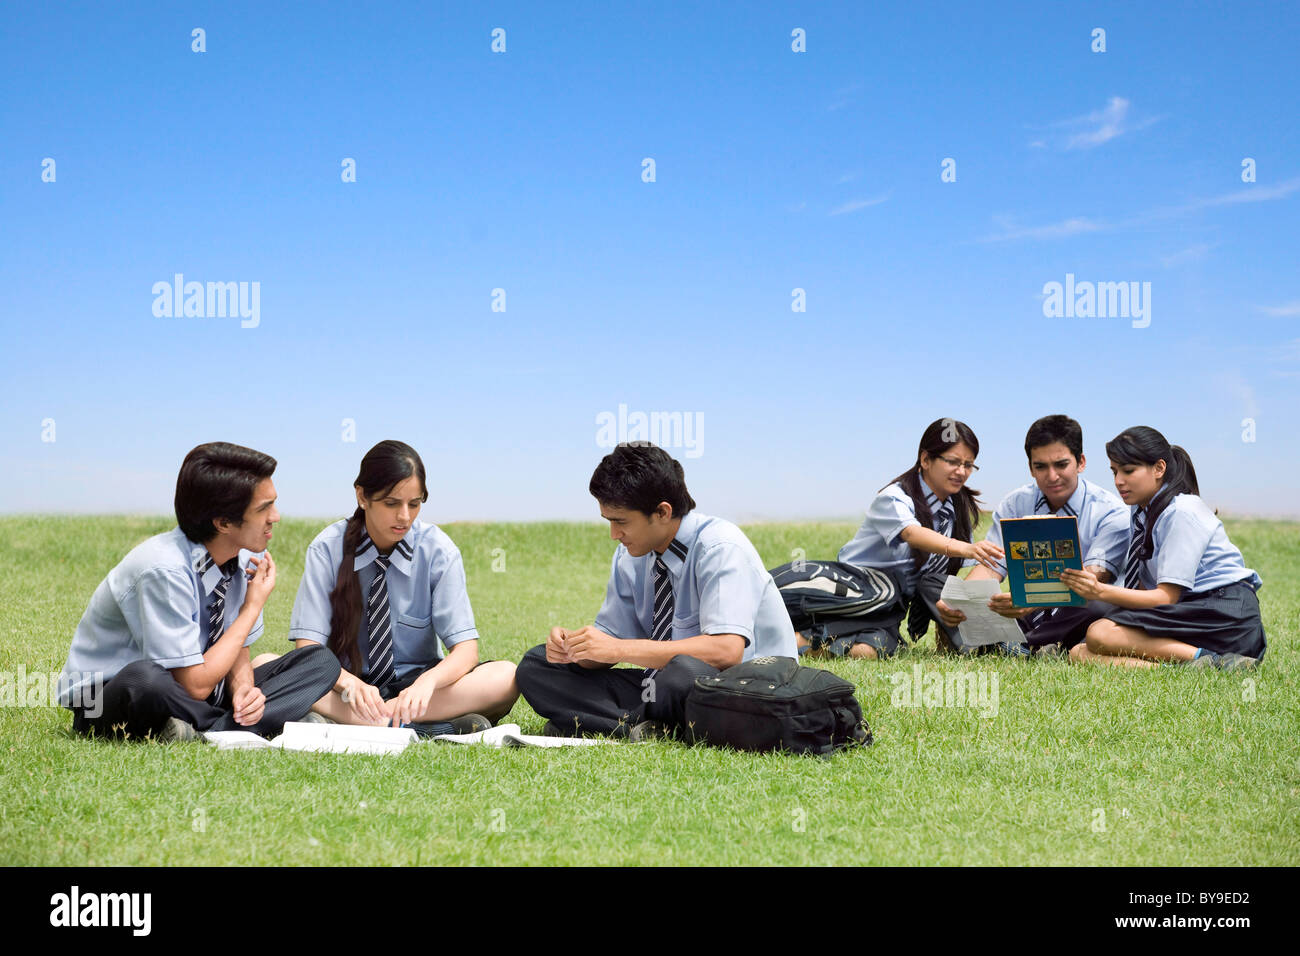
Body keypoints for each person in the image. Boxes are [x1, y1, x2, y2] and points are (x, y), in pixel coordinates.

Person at [57, 442, 341, 740]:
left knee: (320, 661)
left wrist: (244, 689)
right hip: (110, 698)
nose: (276, 516)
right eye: (264, 508)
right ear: (223, 523)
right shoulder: (163, 569)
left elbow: (236, 648)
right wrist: (251, 608)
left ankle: (206, 726)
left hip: (200, 690)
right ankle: (243, 726)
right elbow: (194, 684)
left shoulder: (241, 556)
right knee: (146, 680)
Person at [514, 442, 797, 740]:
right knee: (537, 666)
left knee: (682, 673)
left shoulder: (720, 547)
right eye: (609, 522)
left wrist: (619, 649)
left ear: (662, 512)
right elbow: (610, 642)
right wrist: (576, 649)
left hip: (748, 689)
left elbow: (726, 651)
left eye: (621, 522)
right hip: (663, 689)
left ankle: (597, 722)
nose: (613, 535)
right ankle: (643, 726)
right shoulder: (630, 556)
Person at [275, 440, 517, 732]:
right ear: (362, 496)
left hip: (418, 691)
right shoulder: (327, 549)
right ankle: (436, 726)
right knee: (263, 664)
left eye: (414, 504)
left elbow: (466, 651)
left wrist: (426, 683)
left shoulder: (438, 550)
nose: (404, 516)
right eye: (392, 503)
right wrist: (349, 682)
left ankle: (359, 722)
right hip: (345, 689)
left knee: (506, 676)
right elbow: (308, 648)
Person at [1060, 426, 1267, 669]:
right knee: (1079, 653)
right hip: (1190, 610)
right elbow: (1144, 590)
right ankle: (1183, 668)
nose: (1118, 481)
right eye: (1114, 471)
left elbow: (1166, 597)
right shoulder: (1142, 511)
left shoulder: (1182, 511)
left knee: (1100, 634)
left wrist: (1099, 591)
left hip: (1225, 614)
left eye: (1128, 471)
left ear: (1159, 468)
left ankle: (1210, 661)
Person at [934, 415, 1130, 656]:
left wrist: (1032, 600)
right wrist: (961, 599)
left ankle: (1019, 646)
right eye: (1040, 466)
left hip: (1080, 611)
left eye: (1061, 464)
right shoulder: (1015, 505)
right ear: (1030, 468)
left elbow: (1093, 576)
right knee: (955, 601)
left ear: (1081, 462)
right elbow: (991, 565)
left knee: (1098, 604)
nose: (1052, 476)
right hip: (1027, 611)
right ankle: (1028, 645)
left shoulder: (1111, 511)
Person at [823, 418, 1001, 658]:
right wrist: (966, 548)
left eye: (969, 465)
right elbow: (911, 533)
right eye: (953, 462)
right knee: (866, 652)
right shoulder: (893, 498)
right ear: (926, 459)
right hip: (858, 594)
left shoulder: (955, 506)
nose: (962, 472)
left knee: (877, 648)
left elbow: (939, 577)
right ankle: (803, 640)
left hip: (891, 605)